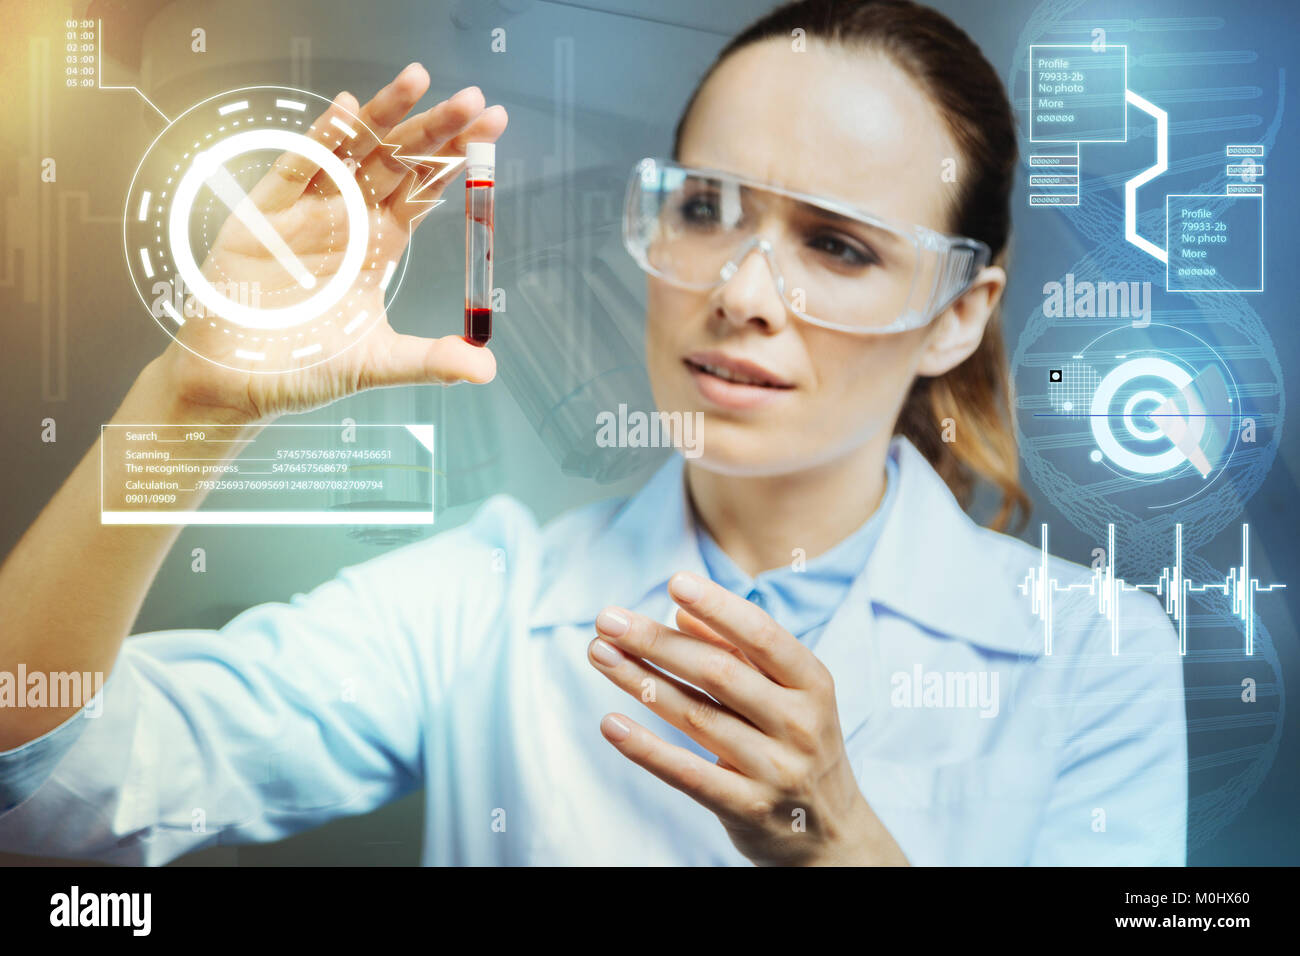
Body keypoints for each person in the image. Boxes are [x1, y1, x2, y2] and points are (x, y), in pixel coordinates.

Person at [0, 0, 1185, 866]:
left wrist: (840, 849)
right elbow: (46, 799)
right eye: (705, 209)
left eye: (838, 243)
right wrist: (189, 400)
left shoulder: (1098, 655)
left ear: (956, 316)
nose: (743, 293)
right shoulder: (484, 600)